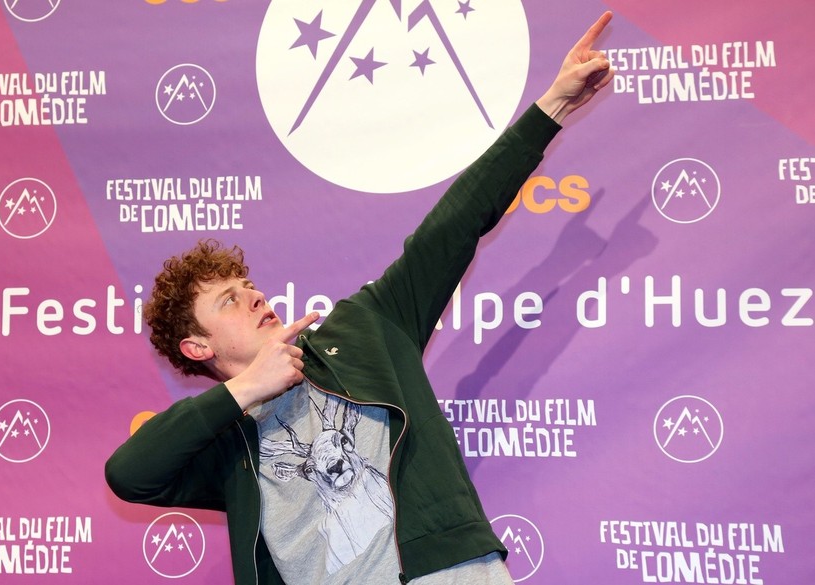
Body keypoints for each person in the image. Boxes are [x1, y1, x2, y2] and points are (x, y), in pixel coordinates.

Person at [106, 12, 615, 584]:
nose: (252, 298)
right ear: (197, 347)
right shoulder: (224, 443)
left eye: (248, 287)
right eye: (228, 301)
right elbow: (130, 474)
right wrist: (249, 389)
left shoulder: (365, 327)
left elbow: (452, 227)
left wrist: (553, 108)